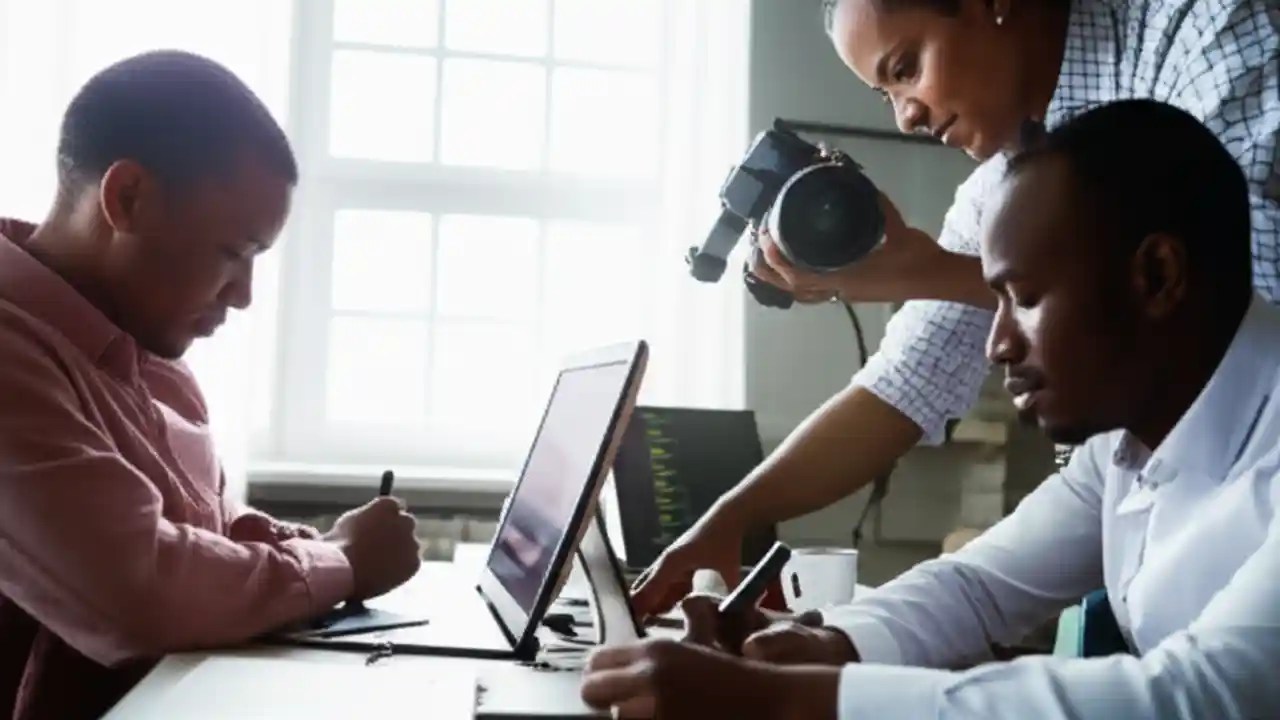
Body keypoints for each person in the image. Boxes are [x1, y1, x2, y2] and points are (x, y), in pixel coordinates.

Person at [585, 100, 1280, 719]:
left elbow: (1204, 694)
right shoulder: (1124, 449)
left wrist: (786, 699)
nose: (999, 340)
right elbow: (980, 586)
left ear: (1156, 275)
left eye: (1025, 299)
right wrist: (820, 645)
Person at [632, 0, 1280, 615]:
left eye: (906, 68)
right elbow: (902, 386)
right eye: (885, 94)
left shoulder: (1209, 28)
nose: (905, 117)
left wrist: (929, 271)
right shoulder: (999, 184)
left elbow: (1243, 294)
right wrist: (729, 521)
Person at [0, 51, 422, 720]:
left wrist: (295, 546)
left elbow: (203, 533)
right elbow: (139, 592)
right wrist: (341, 560)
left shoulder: (150, 353)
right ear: (127, 198)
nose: (246, 295)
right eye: (233, 252)